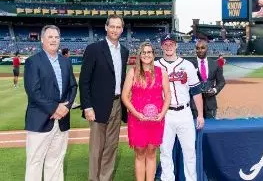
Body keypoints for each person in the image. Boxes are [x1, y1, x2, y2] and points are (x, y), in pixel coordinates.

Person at [24, 25, 77, 181]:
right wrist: (55, 108)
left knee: (56, 161)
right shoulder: (33, 62)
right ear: (42, 39)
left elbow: (73, 87)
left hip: (62, 120)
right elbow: (33, 91)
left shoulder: (65, 62)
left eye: (56, 37)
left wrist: (66, 107)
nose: (54, 40)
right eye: (50, 37)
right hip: (40, 120)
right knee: (35, 162)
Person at [79, 14, 129, 181]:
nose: (115, 30)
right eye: (112, 26)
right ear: (106, 27)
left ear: (122, 30)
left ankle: (105, 178)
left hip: (117, 104)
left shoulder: (124, 51)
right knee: (96, 148)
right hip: (97, 106)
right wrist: (87, 106)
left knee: (111, 147)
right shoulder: (94, 49)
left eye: (118, 27)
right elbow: (84, 80)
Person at [155, 34, 205, 181]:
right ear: (162, 46)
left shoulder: (188, 65)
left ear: (176, 46)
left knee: (189, 152)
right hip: (165, 114)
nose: (169, 46)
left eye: (171, 44)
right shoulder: (156, 66)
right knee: (165, 151)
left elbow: (196, 92)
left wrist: (200, 114)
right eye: (166, 44)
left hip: (185, 113)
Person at [122, 42, 171, 181]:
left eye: (149, 52)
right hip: (137, 119)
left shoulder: (162, 72)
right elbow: (125, 96)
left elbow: (167, 95)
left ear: (153, 55)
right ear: (139, 55)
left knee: (151, 152)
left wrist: (162, 113)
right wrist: (136, 114)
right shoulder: (133, 72)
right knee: (140, 153)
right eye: (144, 52)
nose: (146, 54)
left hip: (156, 120)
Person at [190, 39, 225, 119]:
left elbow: (221, 81)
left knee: (211, 129)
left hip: (210, 104)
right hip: (194, 104)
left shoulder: (216, 64)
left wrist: (214, 90)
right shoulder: (189, 64)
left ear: (207, 49)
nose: (200, 50)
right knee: (195, 128)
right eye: (197, 48)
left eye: (202, 48)